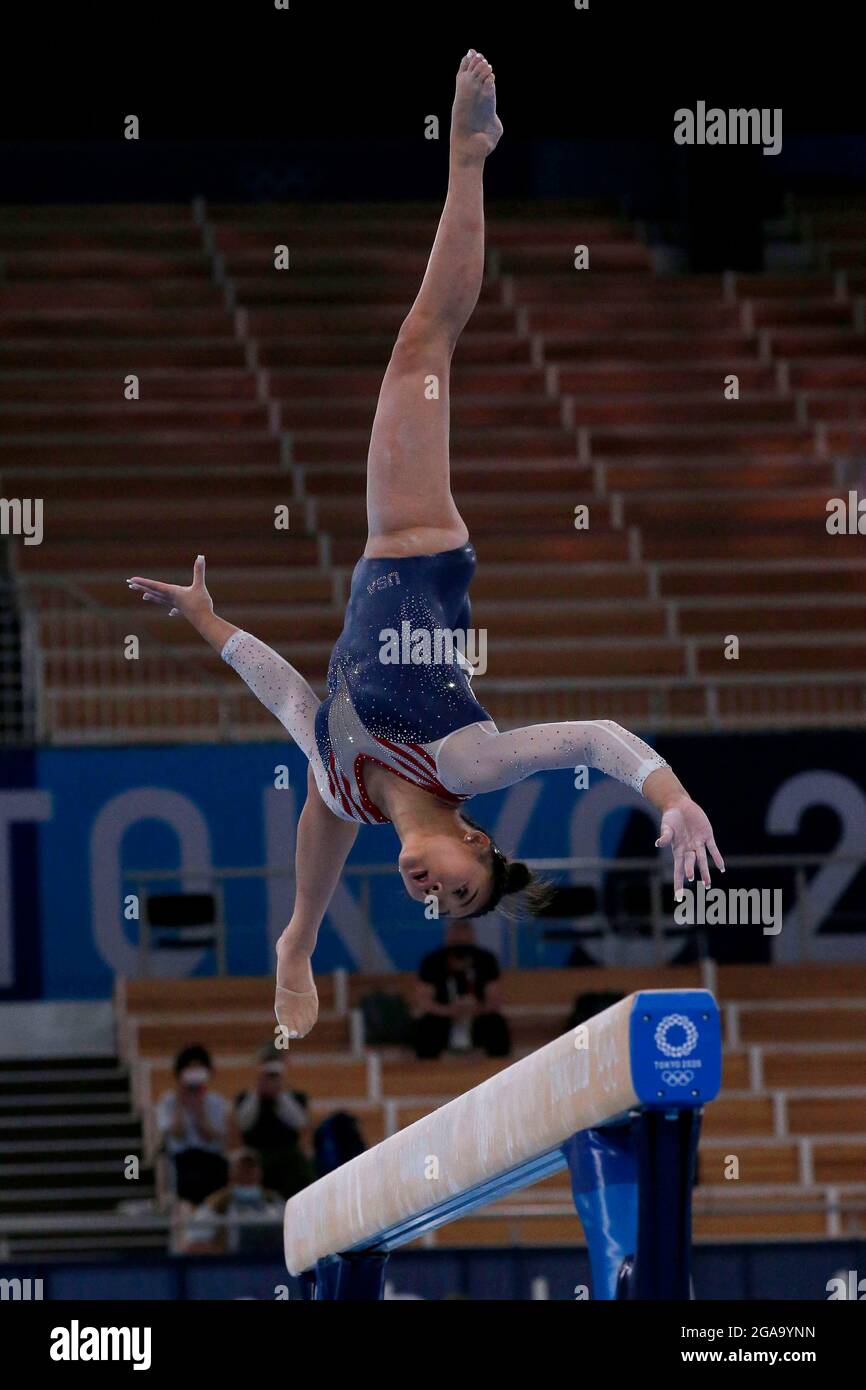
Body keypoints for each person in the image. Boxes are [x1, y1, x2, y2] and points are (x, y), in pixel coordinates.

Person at [127, 51, 724, 1044]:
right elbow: (591, 739)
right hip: (417, 545)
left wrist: (207, 619)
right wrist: (672, 796)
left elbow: (284, 693)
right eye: (456, 888)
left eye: (436, 908)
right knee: (421, 345)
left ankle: (292, 943)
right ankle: (469, 158)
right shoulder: (467, 761)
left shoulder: (347, 786)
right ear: (472, 839)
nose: (429, 897)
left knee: (324, 794)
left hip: (365, 618)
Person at [413, 920, 510, 1059]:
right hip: (443, 1015)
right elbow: (424, 1001)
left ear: (472, 938)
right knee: (426, 1027)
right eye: (455, 937)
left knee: (496, 1024)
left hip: (478, 1014)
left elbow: (494, 998)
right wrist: (449, 1010)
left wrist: (476, 1009)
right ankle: (425, 1073)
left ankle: (498, 1068)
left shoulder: (486, 960)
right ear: (447, 938)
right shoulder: (432, 962)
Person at [231, 1043, 315, 1199]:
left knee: (300, 1162)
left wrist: (279, 1094)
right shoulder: (245, 1098)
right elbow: (243, 1123)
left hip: (288, 1154)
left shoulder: (296, 1097)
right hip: (258, 1154)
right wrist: (258, 1092)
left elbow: (299, 1122)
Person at [154, 1045, 229, 1205]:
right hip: (181, 1161)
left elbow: (209, 1136)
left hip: (210, 1159)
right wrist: (181, 1102)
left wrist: (199, 1107)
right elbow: (176, 1133)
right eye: (189, 1069)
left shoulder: (216, 1102)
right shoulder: (168, 1101)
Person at [180, 1148, 283, 1256]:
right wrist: (222, 1254)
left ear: (259, 1172)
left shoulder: (274, 1201)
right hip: (233, 1266)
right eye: (241, 1169)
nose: (247, 1173)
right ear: (231, 1173)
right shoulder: (217, 1204)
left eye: (251, 1168)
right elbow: (192, 1244)